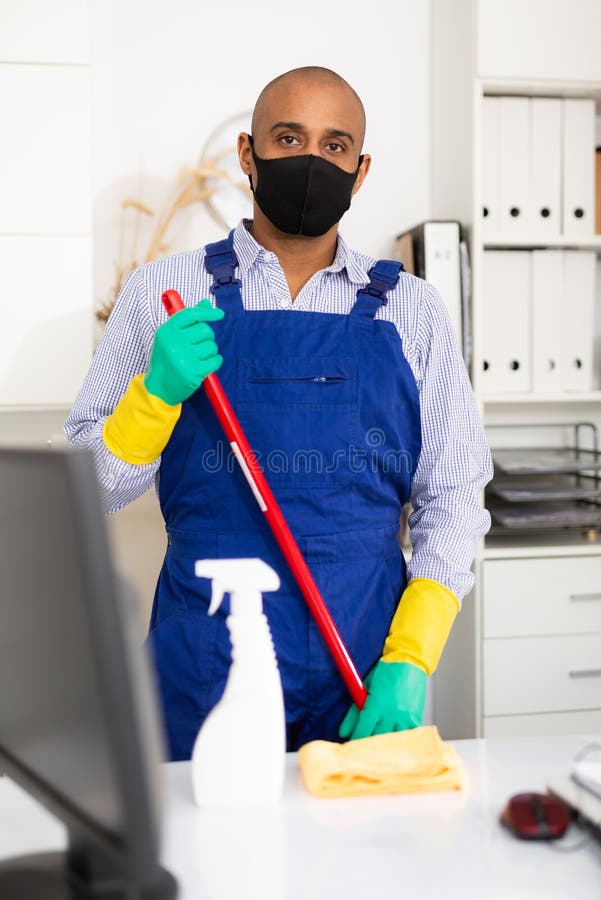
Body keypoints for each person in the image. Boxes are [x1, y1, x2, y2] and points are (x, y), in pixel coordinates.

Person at [65, 66, 493, 761]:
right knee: (208, 864)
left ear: (359, 170)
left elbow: (454, 496)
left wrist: (410, 659)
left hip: (362, 662)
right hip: (202, 662)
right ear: (247, 153)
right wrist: (154, 397)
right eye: (288, 138)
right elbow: (89, 491)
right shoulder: (162, 294)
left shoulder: (412, 310)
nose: (310, 160)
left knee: (363, 863)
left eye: (333, 146)